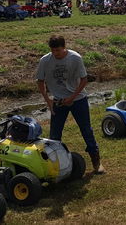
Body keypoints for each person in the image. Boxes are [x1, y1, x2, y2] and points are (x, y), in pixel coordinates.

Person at [36, 35, 105, 175]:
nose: (56, 54)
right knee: (55, 135)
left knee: (86, 130)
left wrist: (72, 97)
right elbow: (40, 81)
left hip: (78, 99)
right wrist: (48, 100)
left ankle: (96, 162)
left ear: (64, 47)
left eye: (58, 51)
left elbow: (84, 79)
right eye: (53, 51)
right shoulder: (45, 61)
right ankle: (55, 166)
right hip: (58, 101)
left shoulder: (75, 58)